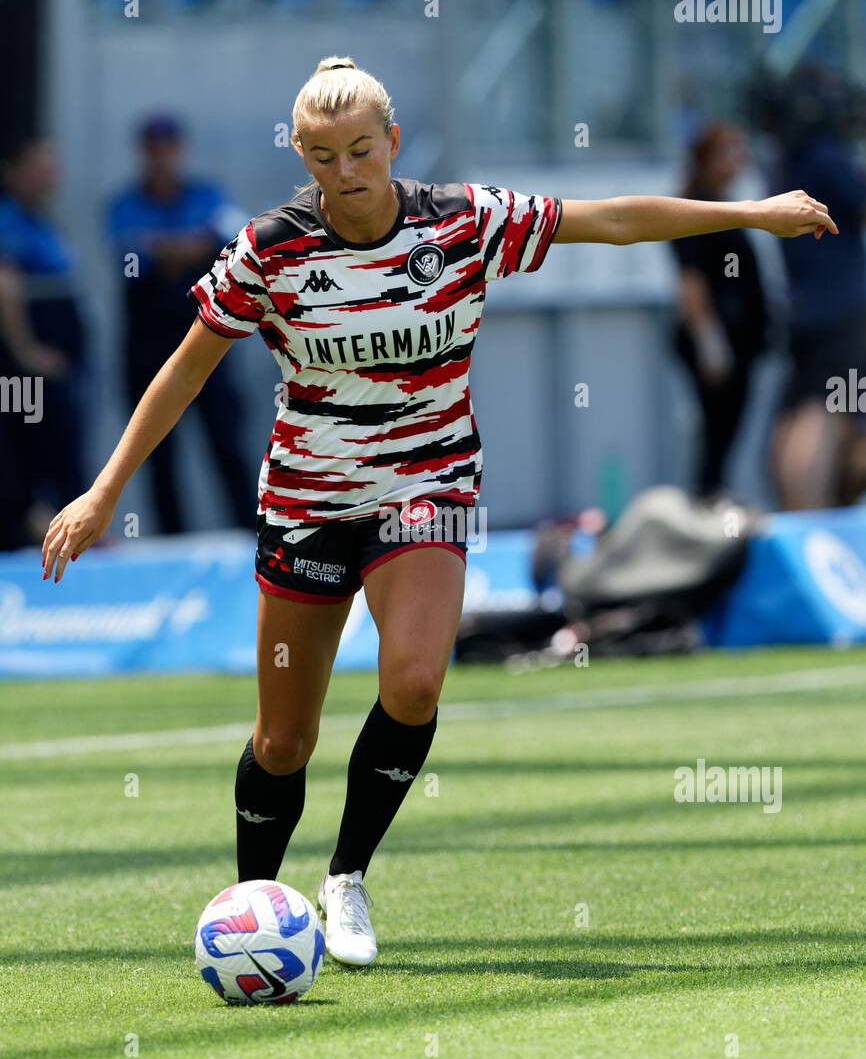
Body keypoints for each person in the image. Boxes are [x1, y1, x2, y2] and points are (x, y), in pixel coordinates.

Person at [42, 56, 836, 968]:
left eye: (363, 149)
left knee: (414, 683)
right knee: (282, 738)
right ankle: (255, 906)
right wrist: (105, 491)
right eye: (326, 156)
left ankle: (345, 877)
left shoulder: (462, 221)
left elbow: (612, 221)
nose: (349, 171)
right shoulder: (271, 249)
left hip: (429, 486)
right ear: (303, 157)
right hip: (307, 501)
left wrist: (753, 211)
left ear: (391, 141)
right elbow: (185, 368)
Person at [106, 115, 251, 533]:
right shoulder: (124, 203)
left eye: (168, 147)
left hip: (206, 338)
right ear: (143, 152)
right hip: (148, 343)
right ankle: (172, 541)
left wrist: (169, 248)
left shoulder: (208, 194)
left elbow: (232, 239)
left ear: (180, 149)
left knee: (226, 440)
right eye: (154, 147)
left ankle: (248, 533)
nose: (162, 157)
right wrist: (194, 245)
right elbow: (133, 252)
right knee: (156, 447)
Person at [765, 69, 866, 508]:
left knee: (811, 411)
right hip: (842, 312)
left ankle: (806, 516)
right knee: (824, 410)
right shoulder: (825, 156)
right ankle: (811, 519)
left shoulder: (782, 162)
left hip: (807, 312)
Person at [670, 122, 770, 498]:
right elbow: (691, 281)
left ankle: (714, 499)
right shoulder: (694, 207)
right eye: (727, 151)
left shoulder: (725, 204)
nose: (737, 159)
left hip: (741, 340)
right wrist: (710, 342)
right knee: (715, 432)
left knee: (726, 433)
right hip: (717, 344)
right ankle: (707, 505)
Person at [0, 138, 89, 549]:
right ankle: (25, 533)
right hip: (25, 367)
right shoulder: (8, 220)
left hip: (57, 359)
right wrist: (26, 351)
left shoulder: (45, 221)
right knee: (28, 442)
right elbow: (6, 285)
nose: (50, 174)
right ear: (13, 172)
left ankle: (66, 531)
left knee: (62, 440)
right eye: (39, 165)